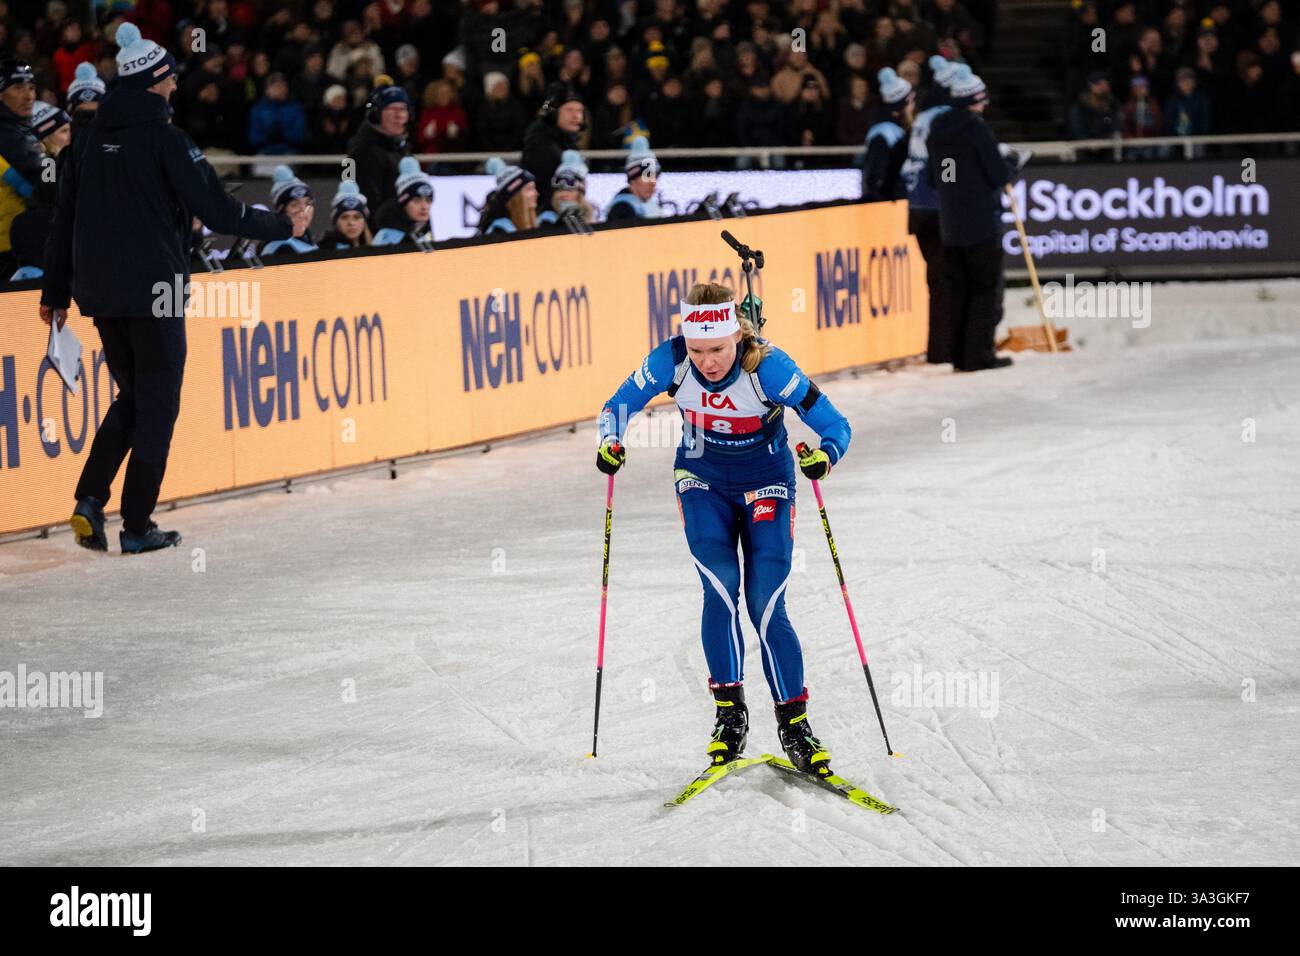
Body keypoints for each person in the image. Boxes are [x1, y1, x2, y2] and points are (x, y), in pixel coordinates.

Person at [38, 22, 298, 555]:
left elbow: (63, 220)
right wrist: (281, 226)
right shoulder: (166, 139)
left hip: (101, 294)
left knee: (134, 397)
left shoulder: (86, 143)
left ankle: (90, 497)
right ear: (156, 81)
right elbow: (218, 210)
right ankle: (137, 525)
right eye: (172, 79)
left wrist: (56, 291)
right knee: (158, 406)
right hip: (157, 291)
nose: (177, 87)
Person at [594, 282, 852, 774]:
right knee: (719, 587)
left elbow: (837, 426)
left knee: (766, 601)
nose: (708, 362)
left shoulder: (769, 367)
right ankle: (729, 716)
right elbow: (616, 407)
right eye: (698, 351)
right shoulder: (670, 359)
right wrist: (610, 441)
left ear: (738, 337)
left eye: (717, 349)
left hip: (767, 480)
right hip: (701, 477)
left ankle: (794, 723)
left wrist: (824, 457)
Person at [926, 68, 1029, 373]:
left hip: (950, 226)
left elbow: (935, 179)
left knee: (959, 292)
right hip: (981, 224)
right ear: (974, 100)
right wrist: (1013, 161)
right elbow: (997, 174)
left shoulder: (937, 129)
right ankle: (979, 355)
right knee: (985, 291)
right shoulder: (976, 129)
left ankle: (958, 355)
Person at [900, 60, 962, 364]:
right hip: (937, 208)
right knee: (945, 281)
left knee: (937, 280)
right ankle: (943, 349)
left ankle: (942, 346)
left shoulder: (924, 114)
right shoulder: (946, 118)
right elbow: (944, 168)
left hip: (918, 208)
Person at [0, 57, 44, 282]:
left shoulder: (20, 130)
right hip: (9, 249)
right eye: (18, 87)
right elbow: (45, 182)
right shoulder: (7, 136)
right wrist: (57, 159)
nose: (28, 96)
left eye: (32, 88)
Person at [346, 76, 411, 212]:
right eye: (392, 109)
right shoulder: (363, 150)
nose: (398, 115)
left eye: (402, 109)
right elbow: (369, 205)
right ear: (376, 114)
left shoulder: (399, 145)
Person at [520, 81, 583, 213]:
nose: (576, 116)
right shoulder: (540, 143)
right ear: (554, 113)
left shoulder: (565, 139)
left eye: (579, 110)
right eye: (569, 110)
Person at [862, 67, 913, 201]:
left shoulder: (899, 130)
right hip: (888, 209)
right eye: (910, 103)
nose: (913, 107)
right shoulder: (883, 134)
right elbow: (875, 179)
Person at [372, 155, 434, 246]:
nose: (424, 207)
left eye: (428, 200)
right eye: (417, 201)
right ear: (403, 203)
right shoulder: (388, 237)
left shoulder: (428, 230)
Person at [260, 165, 318, 255]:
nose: (303, 210)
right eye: (294, 205)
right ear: (281, 211)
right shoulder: (281, 247)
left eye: (308, 203)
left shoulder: (308, 241)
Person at [476, 156, 537, 235]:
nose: (536, 194)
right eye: (529, 189)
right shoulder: (498, 231)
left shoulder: (528, 224)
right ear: (515, 196)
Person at [605, 135, 662, 220]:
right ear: (632, 179)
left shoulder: (651, 206)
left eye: (655, 177)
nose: (652, 182)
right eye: (647, 176)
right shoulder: (621, 209)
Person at [538, 148, 594, 227]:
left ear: (580, 194)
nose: (563, 194)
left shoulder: (593, 214)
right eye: (559, 190)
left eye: (569, 190)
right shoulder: (546, 220)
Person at [319, 180, 372, 249]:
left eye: (357, 217)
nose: (351, 223)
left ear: (364, 222)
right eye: (344, 217)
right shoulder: (323, 251)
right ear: (336, 222)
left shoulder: (378, 252)